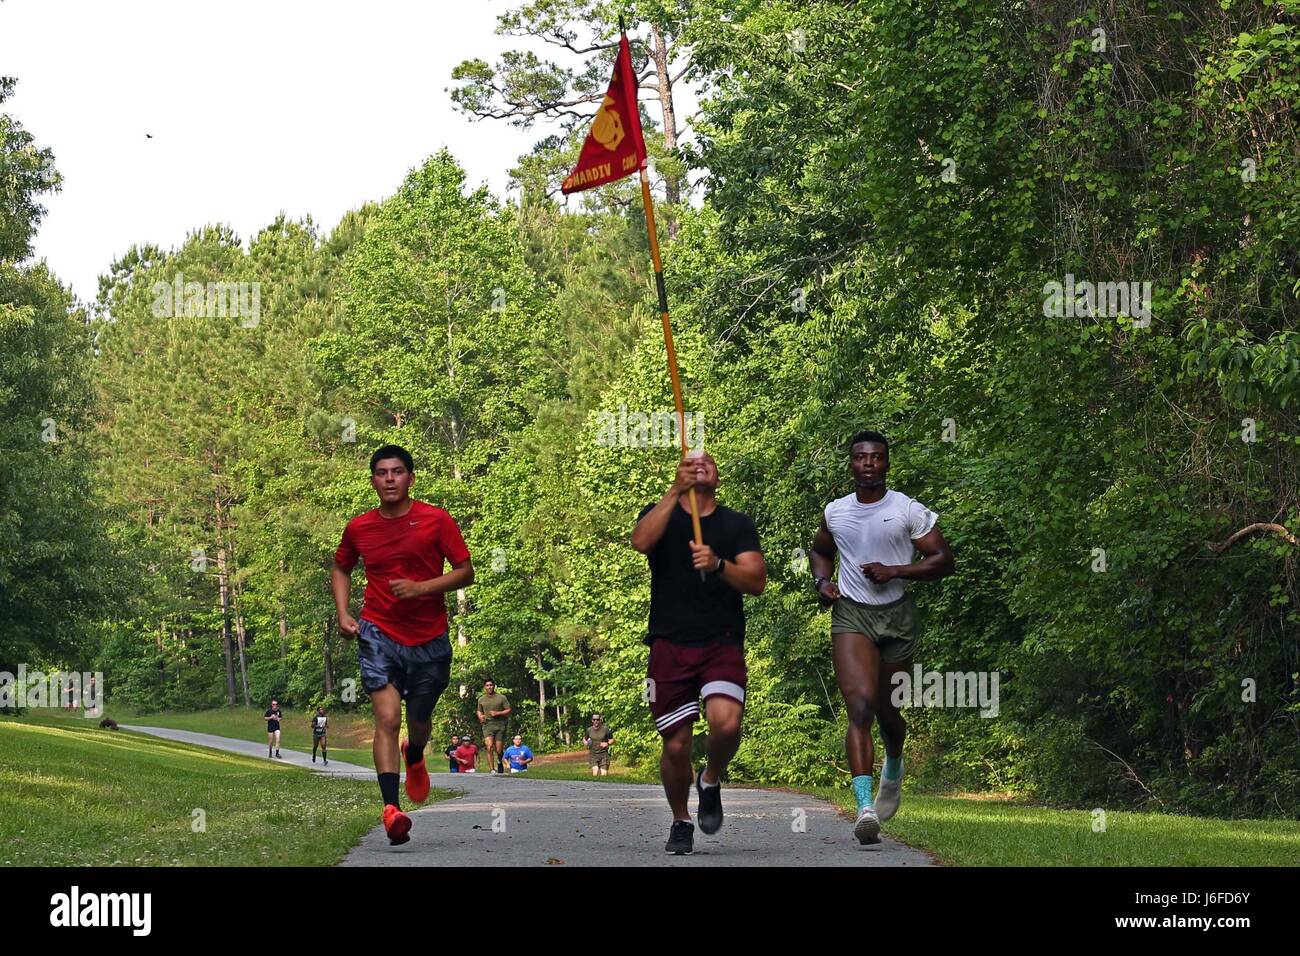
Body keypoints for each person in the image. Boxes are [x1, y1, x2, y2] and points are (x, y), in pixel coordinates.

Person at [809, 430, 954, 844]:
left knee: (890, 714)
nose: (868, 464)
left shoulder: (906, 509)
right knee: (859, 706)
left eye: (876, 457)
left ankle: (893, 762)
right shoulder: (836, 512)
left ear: (886, 463)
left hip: (898, 617)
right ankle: (864, 807)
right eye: (860, 457)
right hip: (852, 614)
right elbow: (821, 550)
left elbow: (943, 560)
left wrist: (895, 571)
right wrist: (822, 582)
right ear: (851, 464)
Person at [332, 444, 475, 845]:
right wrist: (344, 613)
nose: (390, 479)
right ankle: (392, 810)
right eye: (381, 472)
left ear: (410, 478)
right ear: (373, 479)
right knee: (388, 718)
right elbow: (341, 566)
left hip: (429, 638)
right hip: (378, 631)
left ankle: (415, 753)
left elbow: (466, 572)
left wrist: (422, 588)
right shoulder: (360, 527)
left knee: (419, 719)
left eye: (397, 472)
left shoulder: (435, 520)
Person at [631, 450, 766, 855]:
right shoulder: (661, 514)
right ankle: (680, 820)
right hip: (669, 643)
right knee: (675, 745)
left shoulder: (736, 524)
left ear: (718, 477)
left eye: (707, 461)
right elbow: (640, 541)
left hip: (721, 640)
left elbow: (756, 580)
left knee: (725, 725)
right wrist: (675, 490)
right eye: (690, 462)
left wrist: (718, 563)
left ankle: (711, 778)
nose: (699, 464)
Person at [476, 679, 512, 774]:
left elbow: (508, 710)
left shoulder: (501, 698)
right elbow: (479, 711)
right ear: (484, 687)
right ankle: (492, 769)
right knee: (489, 746)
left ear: (494, 686)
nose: (489, 687)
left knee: (499, 749)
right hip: (487, 725)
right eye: (487, 685)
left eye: (491, 685)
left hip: (500, 724)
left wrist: (498, 713)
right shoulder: (481, 699)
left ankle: (499, 761)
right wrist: (480, 716)